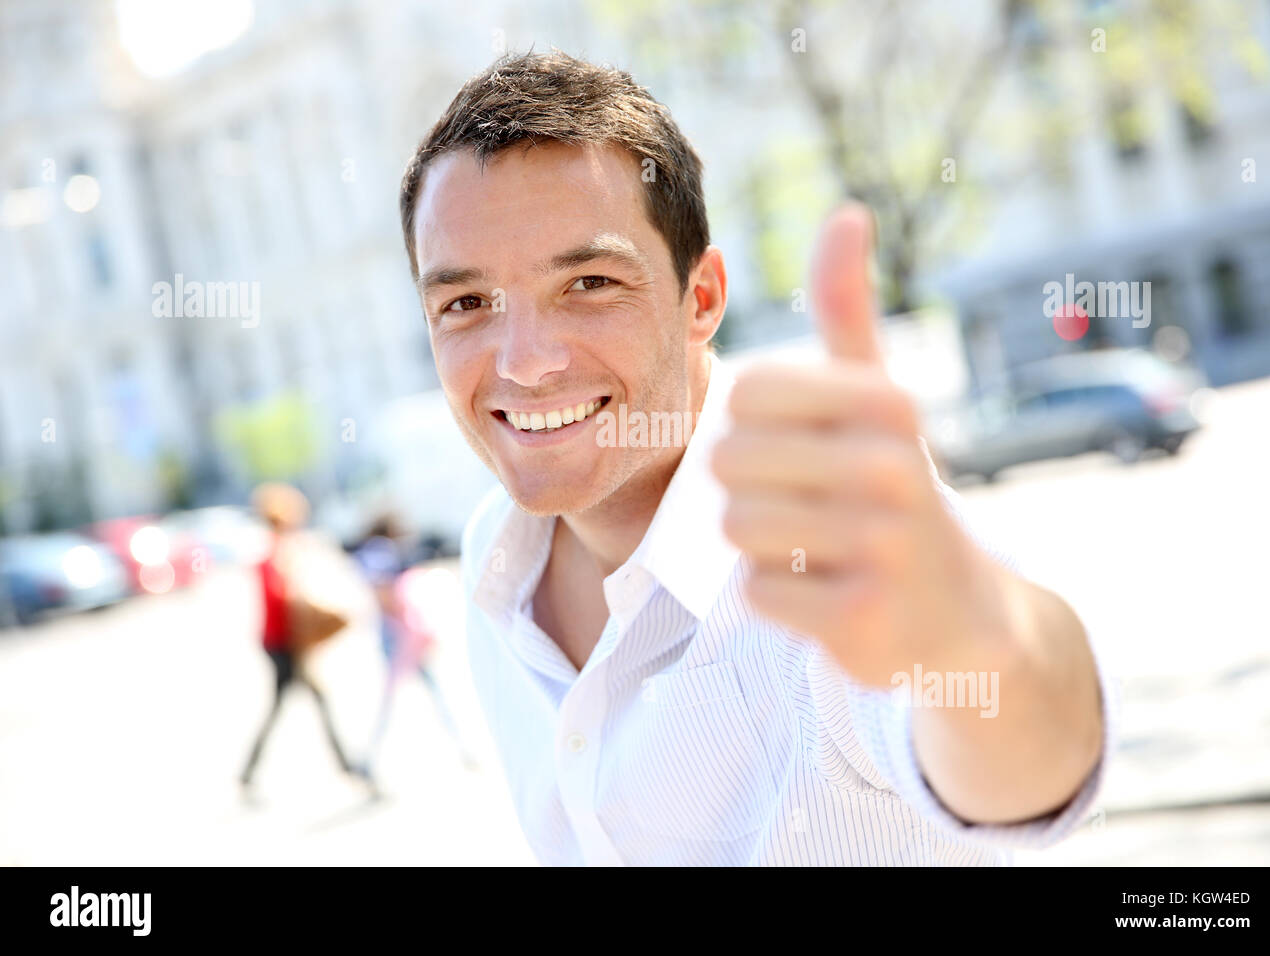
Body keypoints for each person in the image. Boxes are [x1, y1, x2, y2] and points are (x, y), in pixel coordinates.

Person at [398, 52, 1113, 865]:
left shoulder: (823, 524)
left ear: (699, 299)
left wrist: (973, 645)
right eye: (464, 303)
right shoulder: (494, 559)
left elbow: (1031, 767)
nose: (523, 362)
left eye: (590, 283)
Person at [239, 482, 368, 793]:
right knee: (299, 704)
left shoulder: (279, 549)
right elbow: (281, 599)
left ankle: (249, 772)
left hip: (284, 641)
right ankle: (348, 767)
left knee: (295, 704)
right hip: (285, 643)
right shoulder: (274, 551)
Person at [352, 514, 476, 775]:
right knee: (400, 695)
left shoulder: (370, 552)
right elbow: (384, 593)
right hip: (399, 632)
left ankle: (371, 757)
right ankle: (372, 756)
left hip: (397, 631)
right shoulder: (380, 552)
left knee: (411, 693)